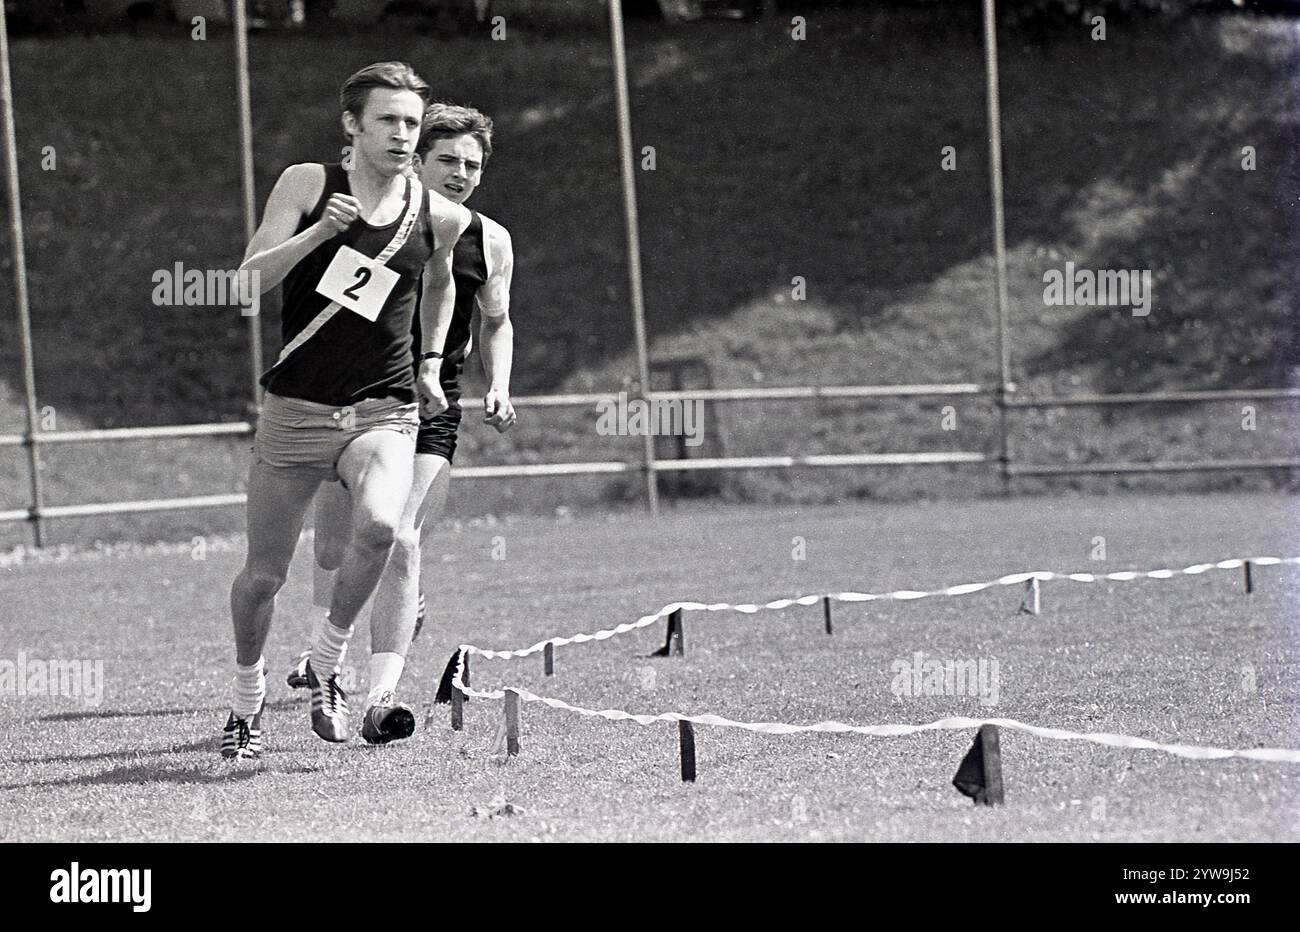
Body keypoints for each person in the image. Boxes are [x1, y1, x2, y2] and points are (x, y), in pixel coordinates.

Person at [221, 63, 471, 760]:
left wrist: (427, 362)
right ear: (352, 126)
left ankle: (327, 665)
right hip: (296, 410)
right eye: (388, 120)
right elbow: (248, 280)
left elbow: (442, 283)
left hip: (381, 411)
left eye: (411, 123)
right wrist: (316, 235)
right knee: (263, 577)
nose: (401, 134)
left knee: (384, 529)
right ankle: (246, 700)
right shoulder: (308, 183)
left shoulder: (440, 215)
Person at [287, 103, 516, 746]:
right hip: (359, 399)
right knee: (336, 545)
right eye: (447, 160)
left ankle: (381, 699)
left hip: (435, 405)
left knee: (402, 540)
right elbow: (333, 310)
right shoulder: (379, 226)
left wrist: (497, 383)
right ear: (415, 161)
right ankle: (318, 656)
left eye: (472, 164)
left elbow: (495, 321)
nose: (461, 174)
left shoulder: (489, 240)